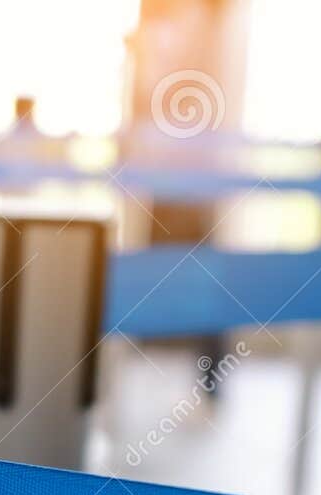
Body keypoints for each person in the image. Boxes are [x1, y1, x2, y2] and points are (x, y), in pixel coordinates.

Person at [126, 0, 231, 391]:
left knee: (203, 280)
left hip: (188, 178)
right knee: (171, 274)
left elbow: (167, 92)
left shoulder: (194, 20)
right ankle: (202, 378)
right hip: (171, 175)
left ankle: (209, 380)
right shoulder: (184, 20)